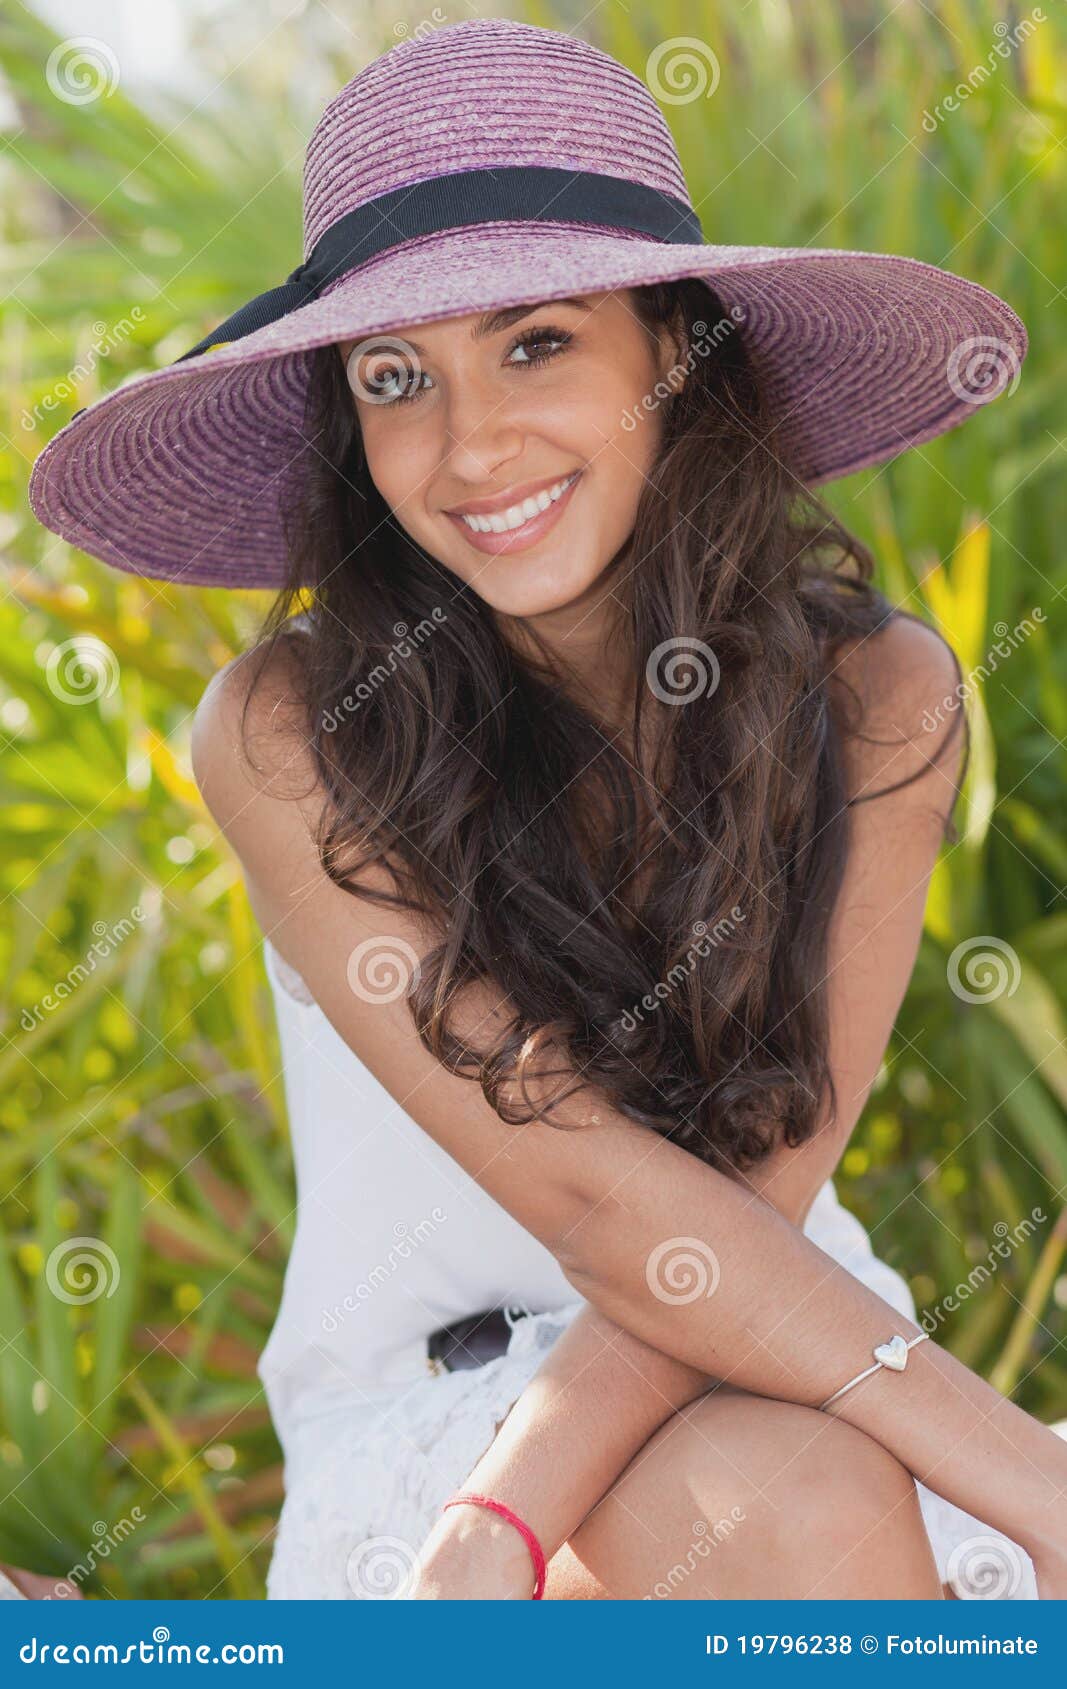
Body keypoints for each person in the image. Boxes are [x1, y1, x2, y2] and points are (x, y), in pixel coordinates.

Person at [28, 18, 1065, 1603]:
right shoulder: (295, 731)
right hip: (442, 1425)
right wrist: (491, 1526)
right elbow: (595, 1195)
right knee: (789, 1511)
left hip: (810, 1351)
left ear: (669, 343)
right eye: (396, 378)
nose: (471, 447)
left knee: (803, 1487)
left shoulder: (880, 697)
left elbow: (759, 1186)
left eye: (536, 342)